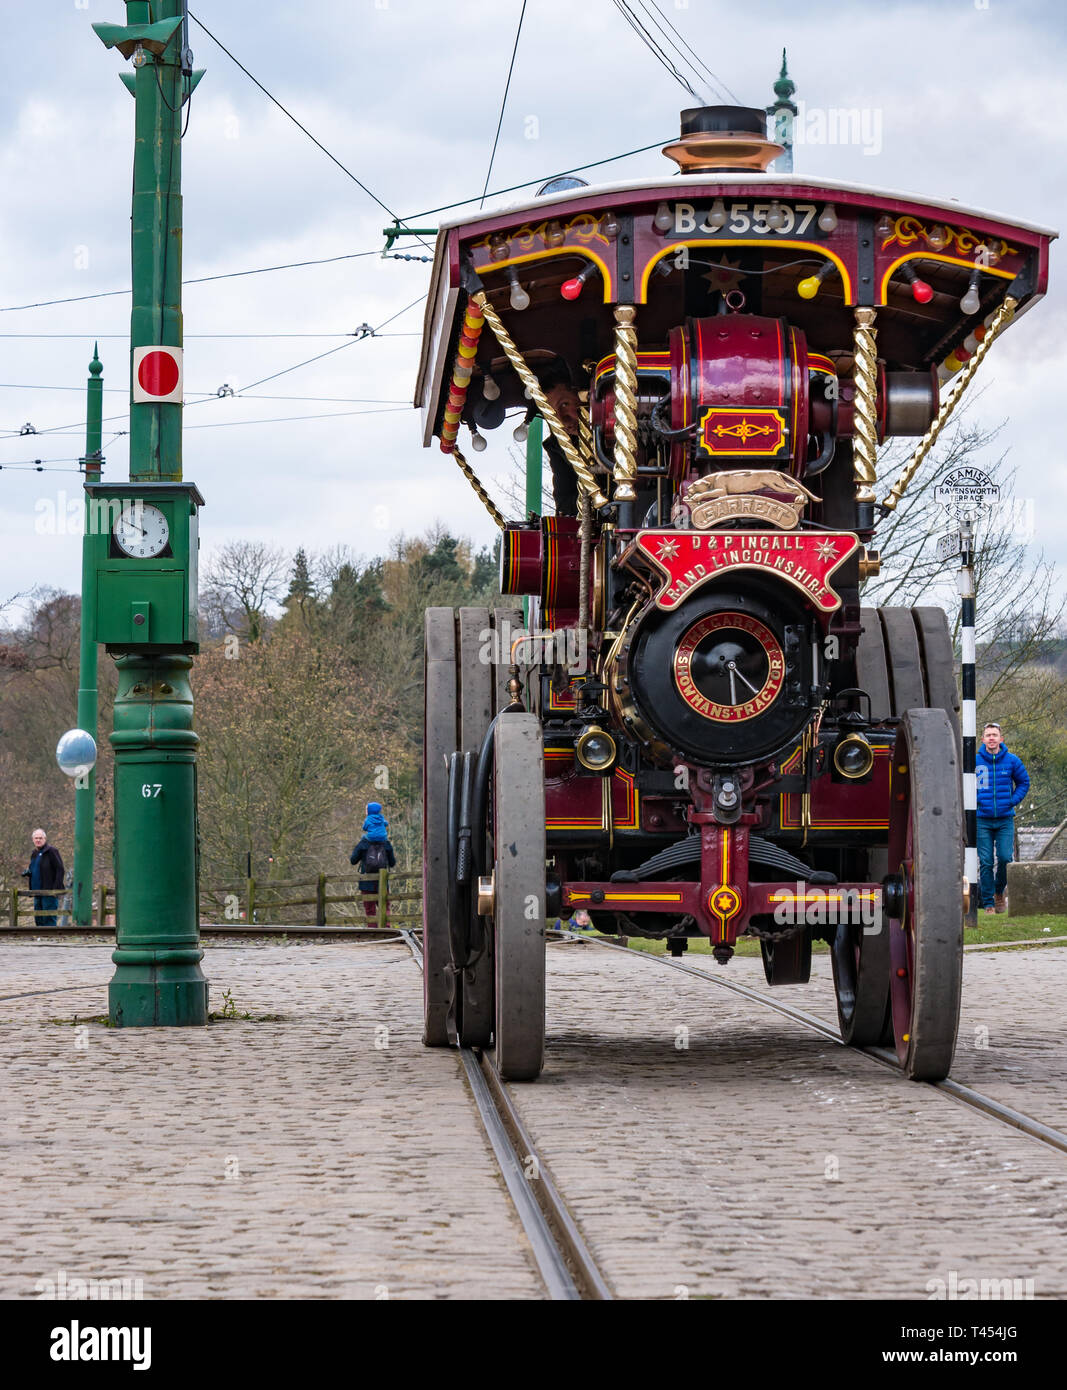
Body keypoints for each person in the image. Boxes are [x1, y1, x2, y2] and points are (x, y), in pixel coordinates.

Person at [976, 722, 1030, 914]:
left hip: (1005, 819)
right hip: (982, 819)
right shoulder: (974, 761)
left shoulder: (1012, 761)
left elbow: (1024, 782)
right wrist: (975, 803)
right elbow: (964, 785)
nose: (991, 738)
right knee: (986, 861)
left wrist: (1012, 801)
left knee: (1006, 858)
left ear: (1001, 739)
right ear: (982, 739)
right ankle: (989, 903)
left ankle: (999, 892)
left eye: (994, 735)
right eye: (988, 735)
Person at [349, 802, 396, 926]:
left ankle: (373, 932)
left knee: (370, 911)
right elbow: (392, 863)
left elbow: (353, 860)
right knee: (385, 908)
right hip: (383, 882)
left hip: (366, 883)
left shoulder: (364, 843)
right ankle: (387, 931)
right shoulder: (386, 844)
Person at [21, 828, 65, 927]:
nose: (38, 840)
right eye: (36, 838)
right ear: (33, 840)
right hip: (36, 891)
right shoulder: (34, 853)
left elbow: (60, 869)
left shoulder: (52, 851)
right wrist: (28, 873)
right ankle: (40, 938)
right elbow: (37, 869)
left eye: (40, 838)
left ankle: (50, 939)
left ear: (45, 839)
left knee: (49, 917)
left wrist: (55, 889)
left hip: (49, 892)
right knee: (38, 917)